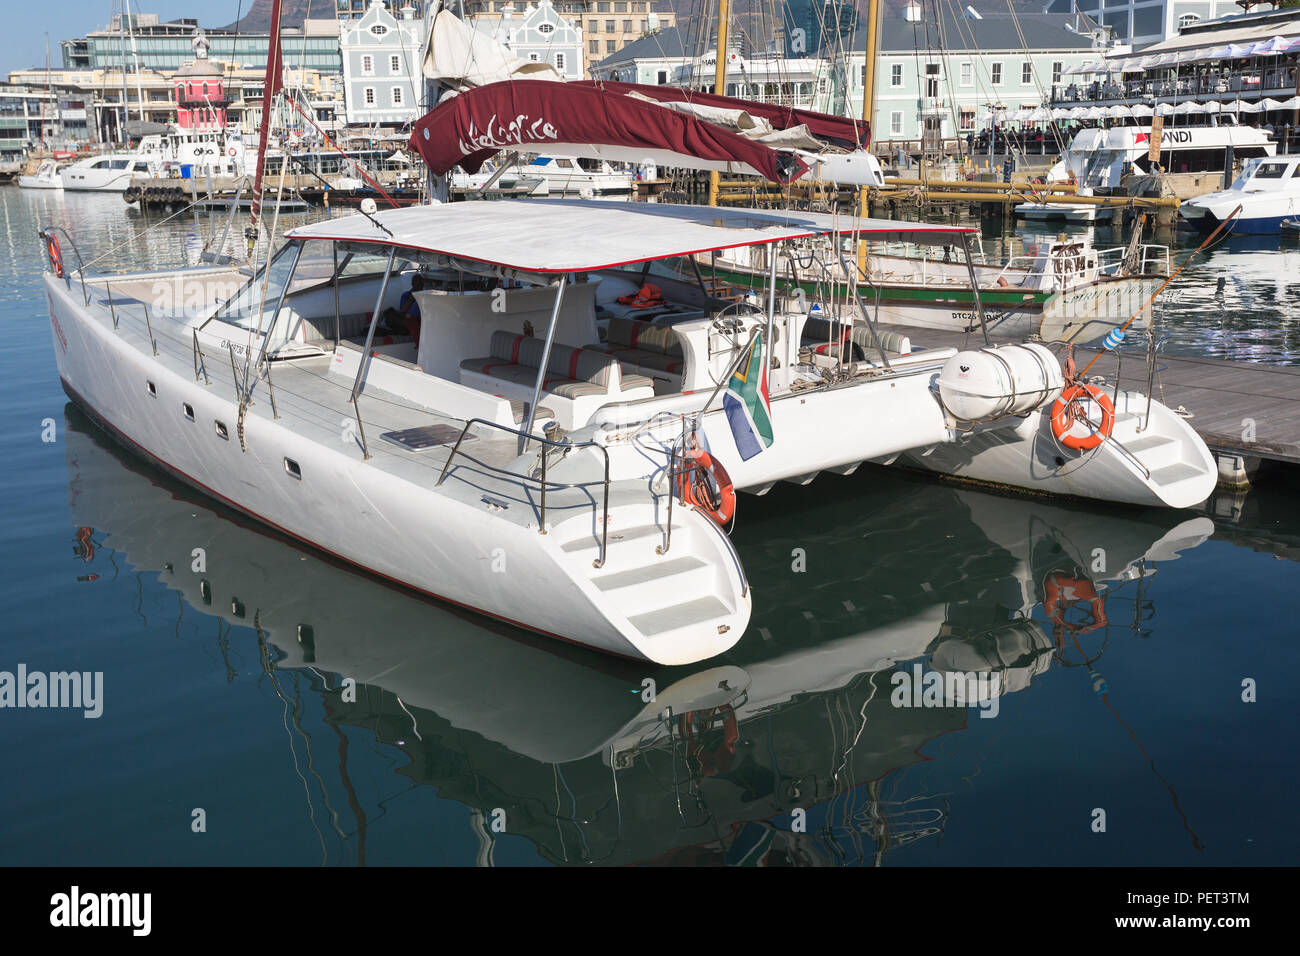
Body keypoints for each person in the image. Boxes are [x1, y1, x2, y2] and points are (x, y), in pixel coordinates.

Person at [382, 273, 425, 344]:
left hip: (415, 322)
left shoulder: (424, 297)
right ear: (412, 284)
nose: (418, 286)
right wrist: (413, 296)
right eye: (416, 284)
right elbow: (403, 311)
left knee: (406, 320)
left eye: (420, 284)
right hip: (405, 319)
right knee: (389, 312)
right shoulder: (406, 295)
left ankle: (402, 330)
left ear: (422, 285)